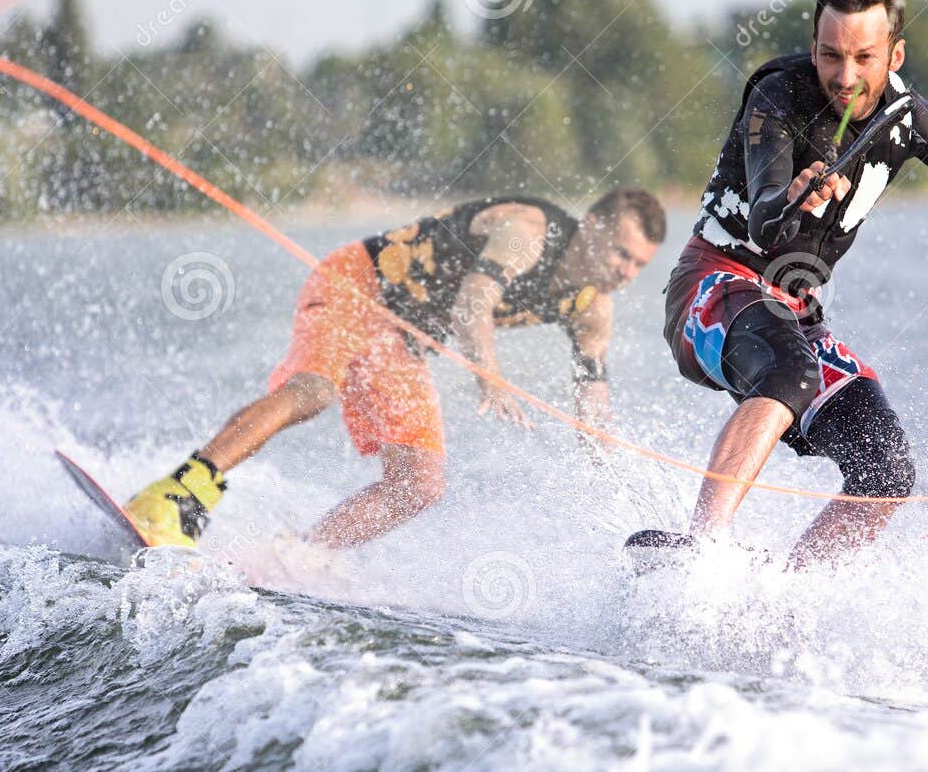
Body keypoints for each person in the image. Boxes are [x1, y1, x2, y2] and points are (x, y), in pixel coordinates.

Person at [662, 0, 928, 566]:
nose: (845, 76)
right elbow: (761, 218)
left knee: (885, 466)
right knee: (788, 373)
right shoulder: (779, 95)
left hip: (793, 309)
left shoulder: (914, 121)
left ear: (895, 53)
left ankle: (794, 590)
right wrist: (795, 195)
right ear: (813, 49)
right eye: (831, 56)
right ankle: (701, 550)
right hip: (712, 285)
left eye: (865, 57)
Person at [127, 189, 665, 548]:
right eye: (620, 253)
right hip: (356, 284)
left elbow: (593, 401)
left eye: (639, 264)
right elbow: (472, 302)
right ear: (591, 226)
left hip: (402, 337)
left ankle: (301, 557)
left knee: (419, 484)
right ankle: (177, 494)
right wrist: (490, 378)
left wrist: (610, 472)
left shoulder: (593, 309)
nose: (627, 272)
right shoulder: (527, 231)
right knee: (313, 391)